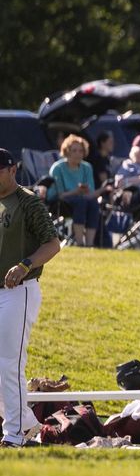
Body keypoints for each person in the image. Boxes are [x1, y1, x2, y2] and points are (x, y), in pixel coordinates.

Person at [0, 149, 62, 447]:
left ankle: (14, 434)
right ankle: (24, 422)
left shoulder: (28, 201)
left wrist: (26, 264)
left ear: (13, 169)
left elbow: (53, 244)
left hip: (18, 291)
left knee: (9, 363)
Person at [47, 134, 104, 246]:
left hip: (83, 200)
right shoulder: (57, 168)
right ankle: (79, 242)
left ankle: (89, 244)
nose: (78, 154)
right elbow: (60, 195)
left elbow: (90, 193)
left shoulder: (87, 167)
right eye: (74, 151)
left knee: (93, 204)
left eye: (81, 151)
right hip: (60, 203)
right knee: (80, 202)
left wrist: (101, 190)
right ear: (67, 151)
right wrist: (76, 192)